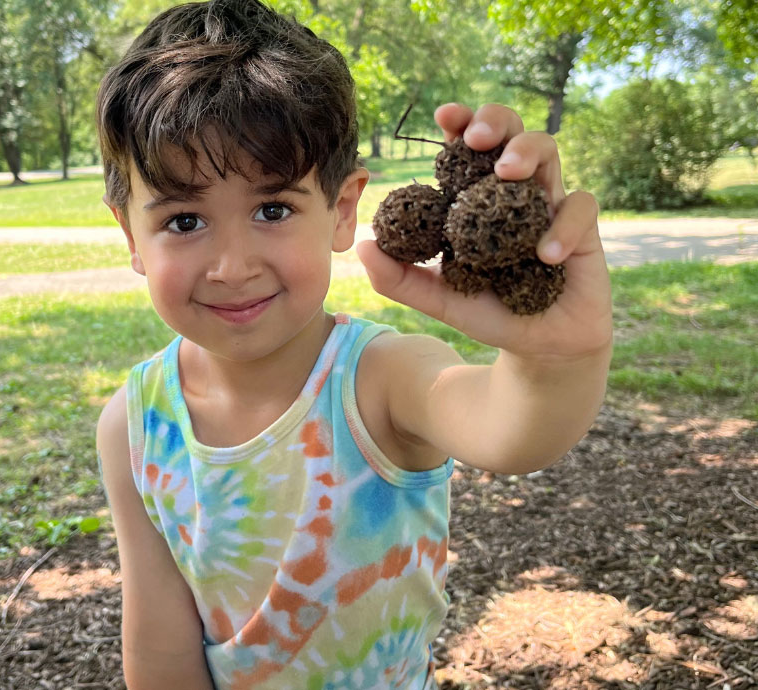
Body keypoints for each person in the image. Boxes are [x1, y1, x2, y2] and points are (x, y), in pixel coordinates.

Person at [94, 0, 613, 687]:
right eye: (185, 220)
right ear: (132, 236)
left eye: (272, 209)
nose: (233, 265)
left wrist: (556, 360)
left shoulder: (383, 378)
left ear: (341, 209)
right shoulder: (134, 425)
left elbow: (511, 432)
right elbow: (160, 639)